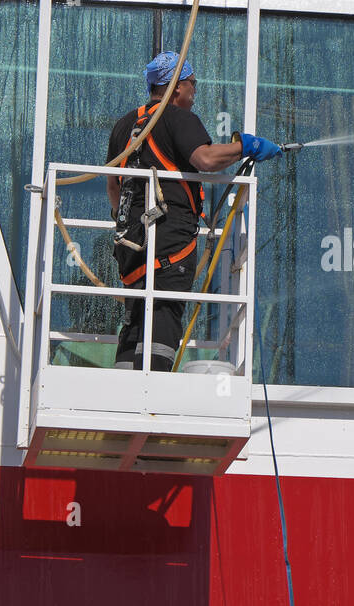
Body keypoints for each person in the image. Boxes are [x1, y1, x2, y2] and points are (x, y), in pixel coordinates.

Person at [107, 51, 281, 371]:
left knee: (135, 319)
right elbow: (205, 159)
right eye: (192, 84)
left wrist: (129, 226)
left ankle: (123, 388)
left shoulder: (124, 125)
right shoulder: (177, 118)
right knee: (162, 318)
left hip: (132, 248)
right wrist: (246, 146)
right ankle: (151, 392)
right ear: (176, 87)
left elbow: (114, 187)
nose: (194, 92)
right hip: (168, 245)